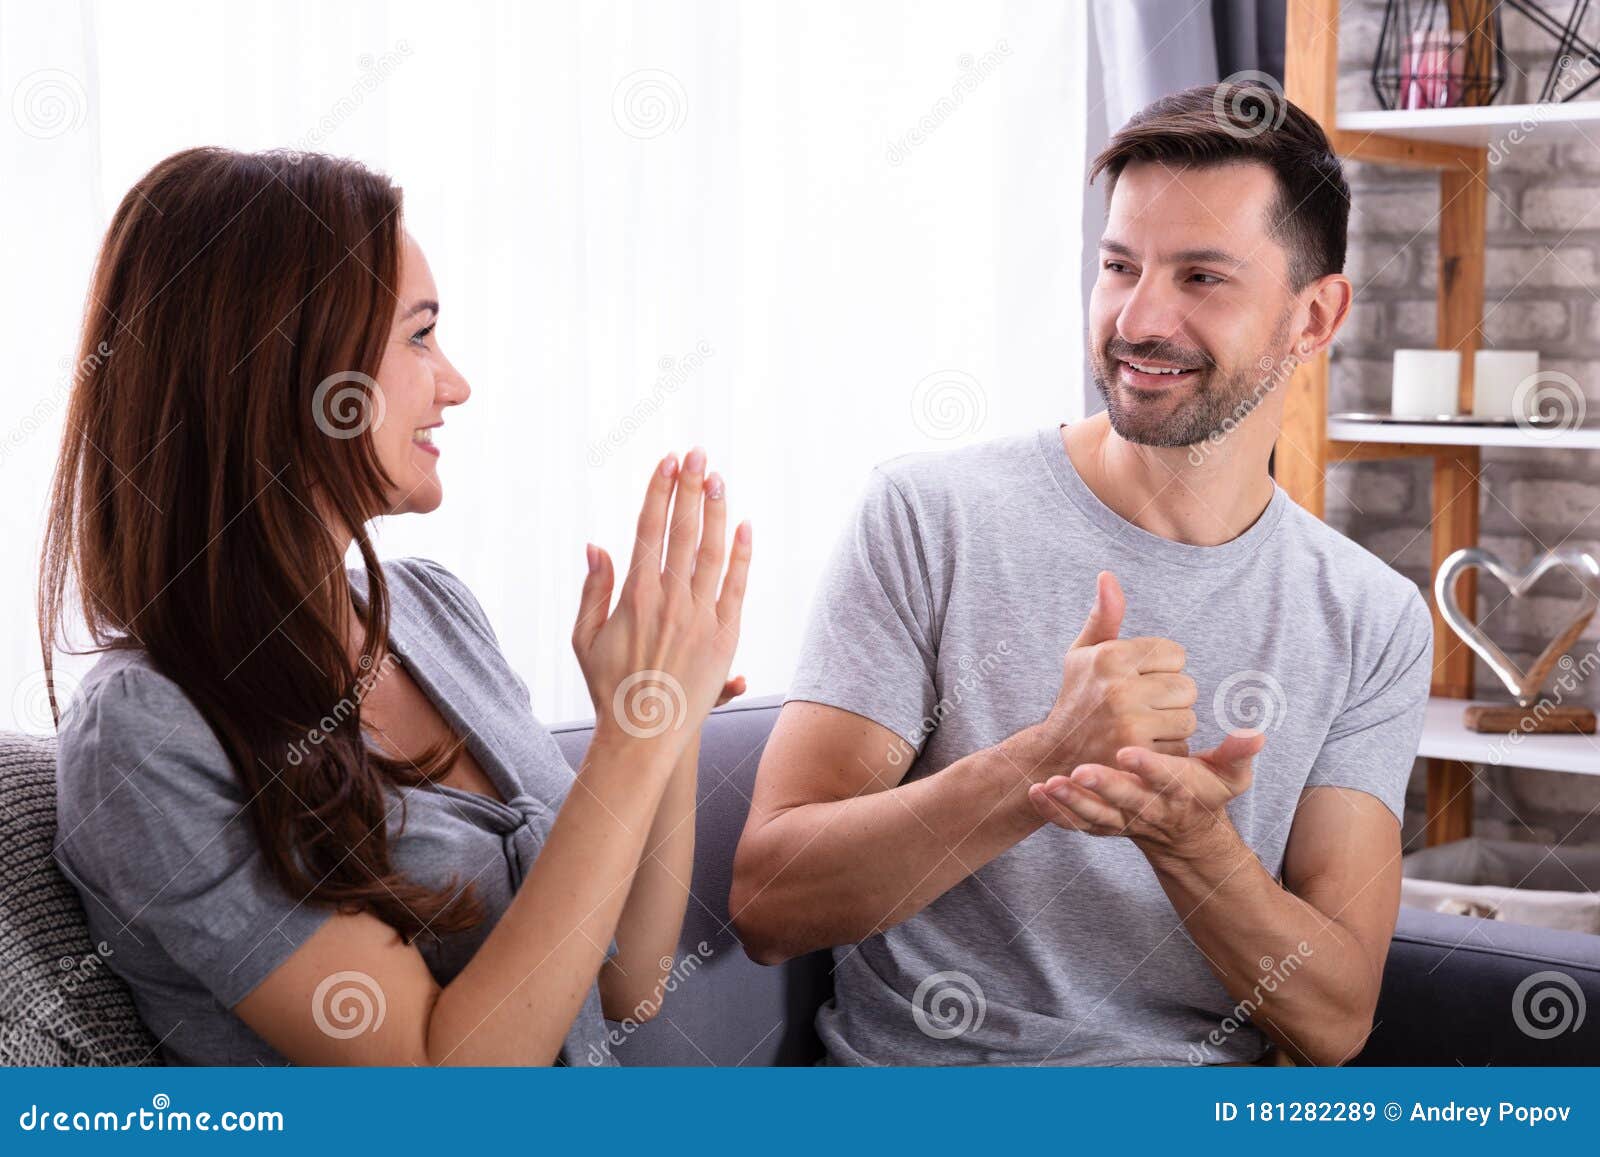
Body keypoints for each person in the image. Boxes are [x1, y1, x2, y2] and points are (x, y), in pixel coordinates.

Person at [731, 83, 1433, 1067]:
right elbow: (770, 902)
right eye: (1118, 265)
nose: (1138, 318)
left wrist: (1193, 845)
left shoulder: (1370, 618)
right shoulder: (931, 517)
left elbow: (1333, 1019)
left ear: (1313, 319)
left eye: (1200, 277)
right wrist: (1035, 767)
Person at [44, 147, 751, 1066]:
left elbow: (627, 981)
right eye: (419, 337)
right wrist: (630, 747)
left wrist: (664, 713)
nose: (454, 383)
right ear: (284, 373)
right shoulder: (145, 734)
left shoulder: (431, 611)